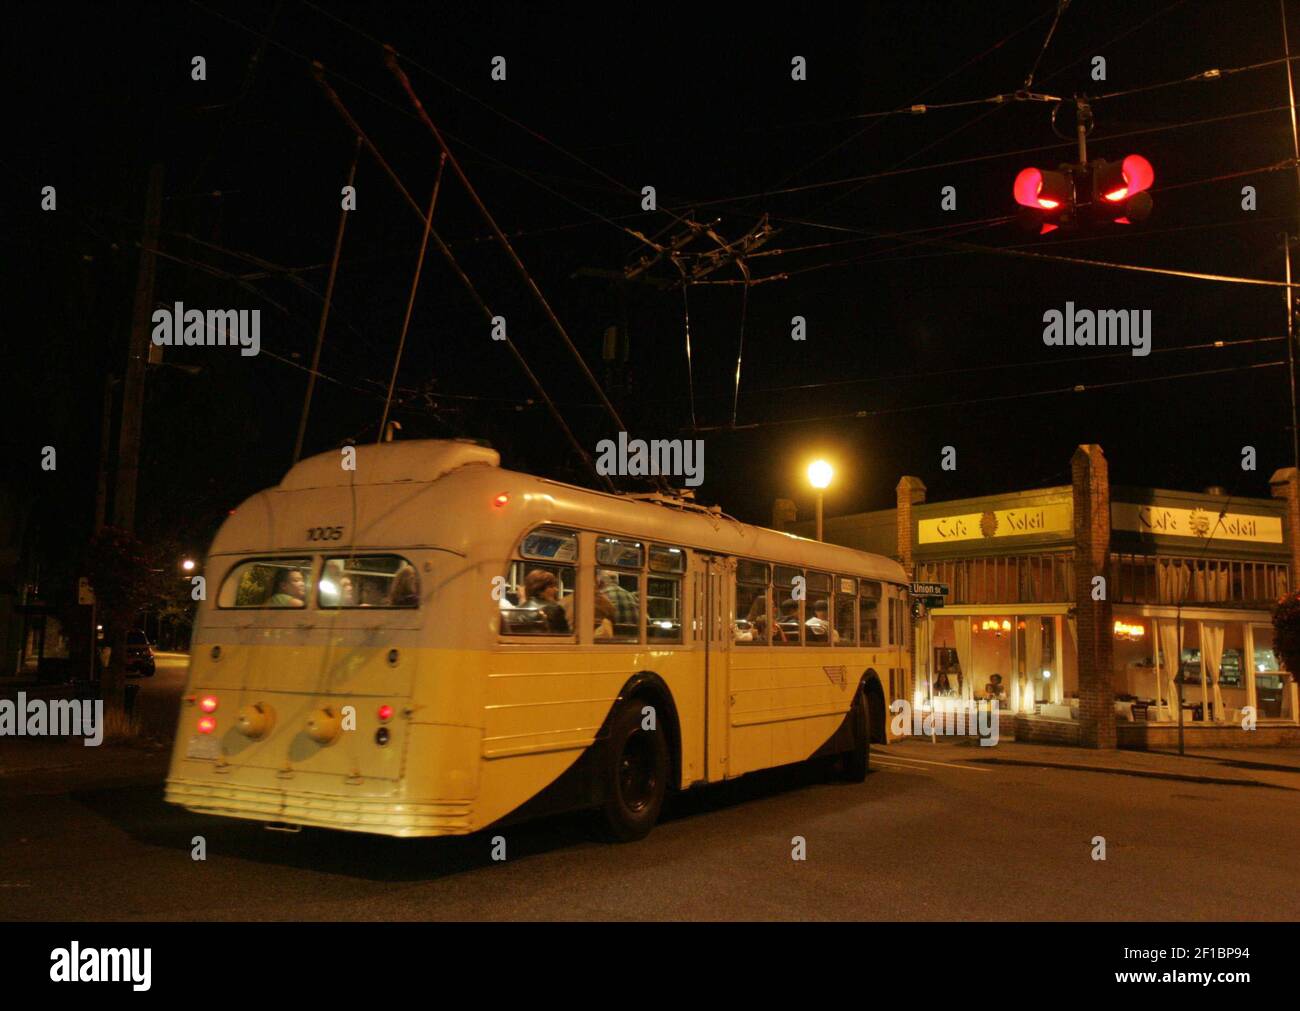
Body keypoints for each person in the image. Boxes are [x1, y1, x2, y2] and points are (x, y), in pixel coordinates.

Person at [524, 569, 570, 633]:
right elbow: (565, 637)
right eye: (551, 587)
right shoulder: (554, 610)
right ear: (539, 590)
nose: (556, 590)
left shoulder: (516, 611)